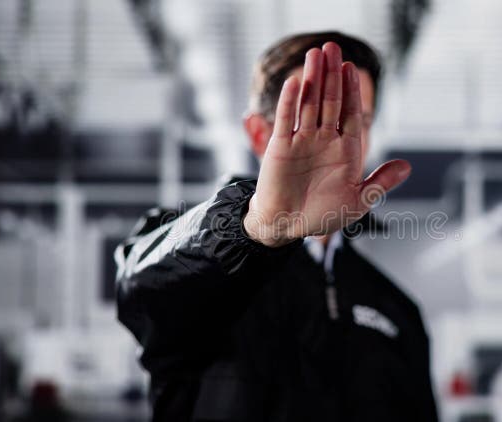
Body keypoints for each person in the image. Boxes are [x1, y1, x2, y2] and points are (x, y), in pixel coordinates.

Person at [115, 31, 438, 422]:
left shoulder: (398, 313)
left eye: (355, 121)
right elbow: (139, 288)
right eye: (311, 119)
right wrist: (255, 227)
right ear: (258, 133)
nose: (332, 141)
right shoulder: (201, 273)